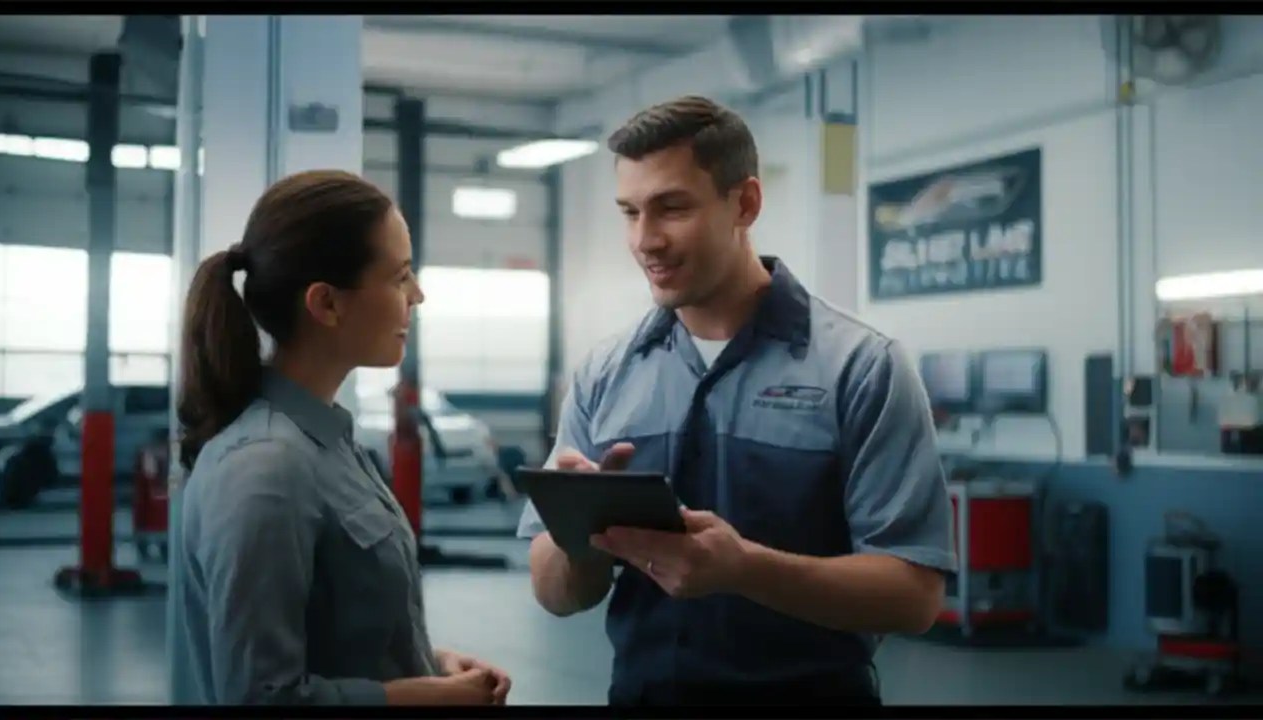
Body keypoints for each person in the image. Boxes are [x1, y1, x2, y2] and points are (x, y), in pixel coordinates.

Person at [517, 97, 957, 706]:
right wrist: (583, 545)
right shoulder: (604, 373)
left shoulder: (862, 367)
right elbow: (554, 591)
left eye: (672, 208)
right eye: (629, 212)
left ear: (744, 203)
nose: (646, 240)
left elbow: (914, 596)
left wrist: (744, 569)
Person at [176, 170, 511, 706]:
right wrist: (428, 698)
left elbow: (343, 636)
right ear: (326, 303)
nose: (417, 295)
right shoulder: (265, 467)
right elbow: (262, 699)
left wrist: (433, 665)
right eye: (400, 276)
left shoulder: (329, 443)